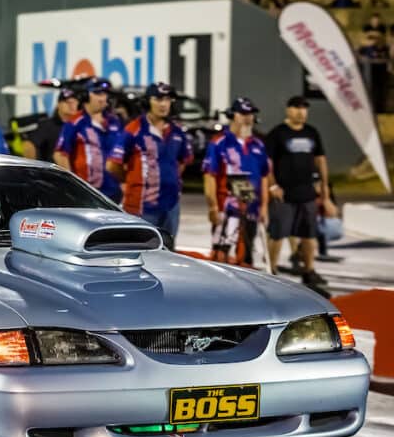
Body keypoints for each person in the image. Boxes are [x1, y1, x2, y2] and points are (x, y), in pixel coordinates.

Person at [107, 82, 192, 238]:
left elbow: (182, 161)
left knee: (169, 253)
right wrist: (131, 181)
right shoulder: (134, 129)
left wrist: (171, 179)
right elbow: (112, 165)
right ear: (148, 101)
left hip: (171, 205)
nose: (163, 104)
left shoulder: (178, 131)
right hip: (141, 206)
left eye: (167, 99)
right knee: (140, 252)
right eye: (158, 99)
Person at [265, 96, 332, 290]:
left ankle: (309, 271)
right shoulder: (278, 134)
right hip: (284, 194)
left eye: (304, 108)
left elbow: (320, 160)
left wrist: (325, 187)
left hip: (308, 193)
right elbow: (267, 163)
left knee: (309, 235)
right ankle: (272, 271)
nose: (301, 112)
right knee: (277, 234)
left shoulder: (312, 132)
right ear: (288, 110)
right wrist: (272, 186)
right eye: (296, 108)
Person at [202, 97, 270, 266]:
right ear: (232, 115)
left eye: (251, 114)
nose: (248, 118)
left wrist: (264, 206)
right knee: (220, 256)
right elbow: (209, 175)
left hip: (251, 209)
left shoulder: (258, 144)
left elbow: (264, 176)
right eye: (243, 113)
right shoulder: (219, 143)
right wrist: (212, 206)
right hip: (226, 209)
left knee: (246, 257)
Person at [54, 77, 124, 203]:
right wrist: (72, 185)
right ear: (85, 96)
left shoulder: (115, 121)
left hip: (114, 193)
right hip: (87, 194)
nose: (103, 98)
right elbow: (60, 154)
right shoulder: (75, 123)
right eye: (97, 93)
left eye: (105, 94)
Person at [24, 86, 79, 162]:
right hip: (53, 171)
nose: (72, 105)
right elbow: (28, 145)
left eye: (75, 102)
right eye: (67, 102)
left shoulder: (79, 126)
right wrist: (31, 168)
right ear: (58, 104)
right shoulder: (47, 125)